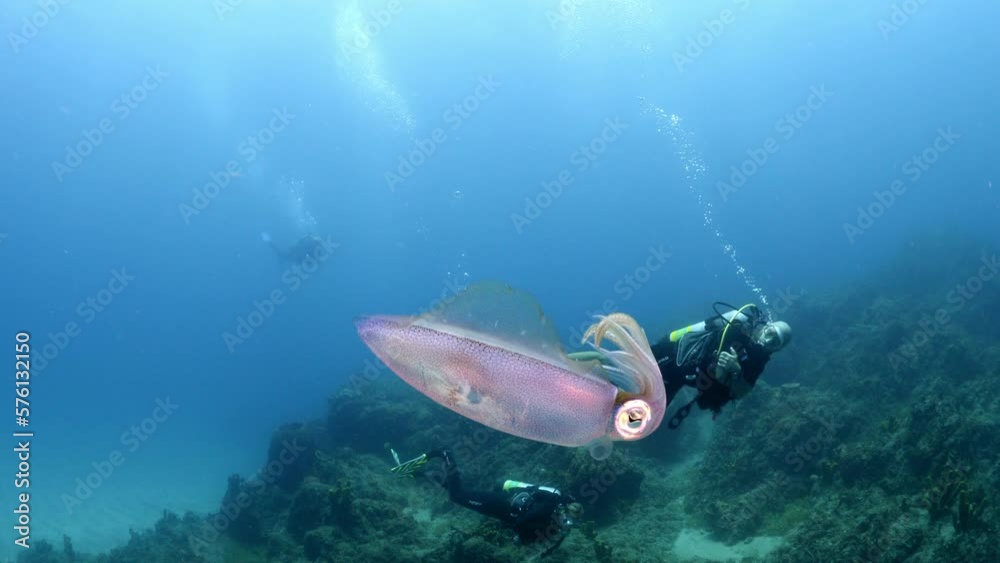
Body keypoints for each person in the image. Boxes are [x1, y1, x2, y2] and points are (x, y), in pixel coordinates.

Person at [390, 448, 583, 557]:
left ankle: (421, 473)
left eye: (571, 521)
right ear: (564, 508)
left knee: (460, 494)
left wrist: (545, 549)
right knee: (457, 496)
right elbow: (522, 522)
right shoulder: (549, 507)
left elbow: (549, 541)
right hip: (500, 504)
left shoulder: (558, 520)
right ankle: (443, 453)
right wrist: (522, 538)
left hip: (500, 509)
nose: (567, 522)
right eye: (568, 517)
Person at [650, 302, 792, 428]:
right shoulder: (739, 325)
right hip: (677, 354)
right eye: (770, 333)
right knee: (646, 361)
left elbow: (744, 390)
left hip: (683, 378)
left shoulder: (758, 361)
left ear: (777, 349)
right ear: (766, 327)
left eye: (775, 342)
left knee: (648, 412)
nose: (767, 341)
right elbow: (703, 330)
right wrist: (662, 344)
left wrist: (736, 371)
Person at [261, 231, 328, 263]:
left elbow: (317, 258)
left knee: (284, 255)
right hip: (296, 252)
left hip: (298, 255)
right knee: (283, 255)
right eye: (316, 242)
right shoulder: (309, 238)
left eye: (317, 243)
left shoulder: (315, 246)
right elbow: (299, 243)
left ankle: (270, 243)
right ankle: (269, 242)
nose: (316, 243)